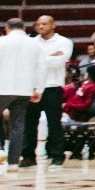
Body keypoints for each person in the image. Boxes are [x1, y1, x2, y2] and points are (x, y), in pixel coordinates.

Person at [0, 18, 45, 174]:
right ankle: (13, 163)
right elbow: (41, 67)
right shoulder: (35, 43)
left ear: (7, 29)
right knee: (18, 126)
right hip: (24, 90)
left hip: (0, 88)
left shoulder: (0, 42)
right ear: (24, 28)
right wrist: (39, 89)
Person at [21, 14, 74, 167]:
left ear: (53, 25)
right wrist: (49, 57)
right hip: (33, 88)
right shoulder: (31, 42)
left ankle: (57, 155)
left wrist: (39, 59)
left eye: (44, 24)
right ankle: (28, 156)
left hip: (53, 88)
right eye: (38, 24)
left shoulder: (64, 42)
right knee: (29, 124)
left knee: (54, 123)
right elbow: (27, 63)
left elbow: (59, 62)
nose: (41, 27)